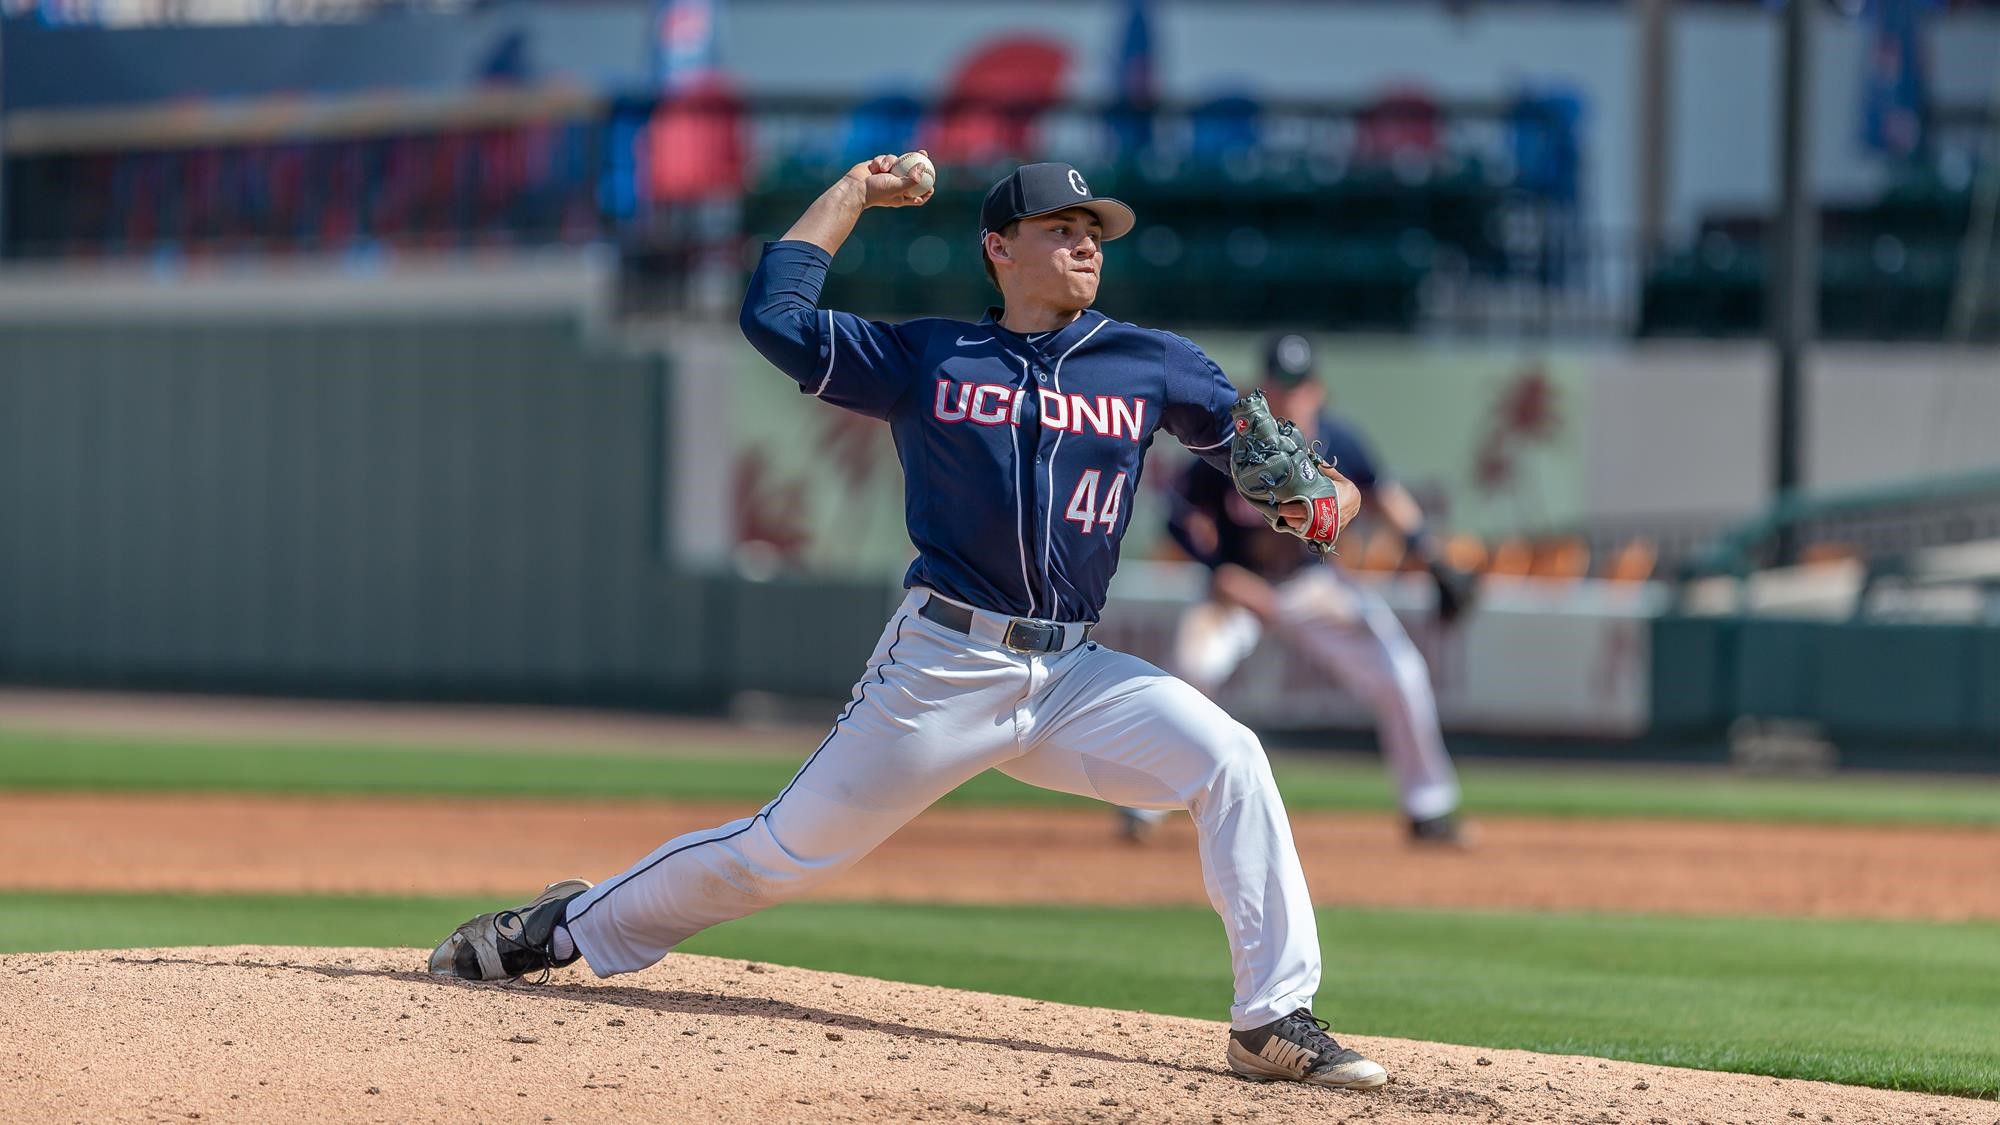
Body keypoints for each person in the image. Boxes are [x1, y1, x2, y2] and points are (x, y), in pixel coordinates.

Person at [426, 157, 1388, 1091]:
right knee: (777, 854)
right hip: (944, 665)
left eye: (1095, 232)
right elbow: (775, 318)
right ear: (999, 249)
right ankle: (564, 925)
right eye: (1061, 229)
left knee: (1229, 757)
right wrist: (850, 194)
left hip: (1074, 675)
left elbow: (1276, 462)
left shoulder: (1153, 362)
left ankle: (1271, 1018)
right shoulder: (931, 357)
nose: (1087, 246)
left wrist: (1320, 494)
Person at [1118, 333, 1468, 847]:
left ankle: (1427, 807)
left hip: (1310, 586)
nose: (1290, 397)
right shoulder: (1236, 446)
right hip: (1238, 589)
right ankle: (1144, 807)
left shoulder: (1337, 441)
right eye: (1280, 386)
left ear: (1317, 391)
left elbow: (1384, 496)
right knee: (1191, 671)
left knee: (1401, 671)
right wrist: (1215, 570)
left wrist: (1433, 559)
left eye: (1299, 386)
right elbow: (1177, 517)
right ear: (1264, 390)